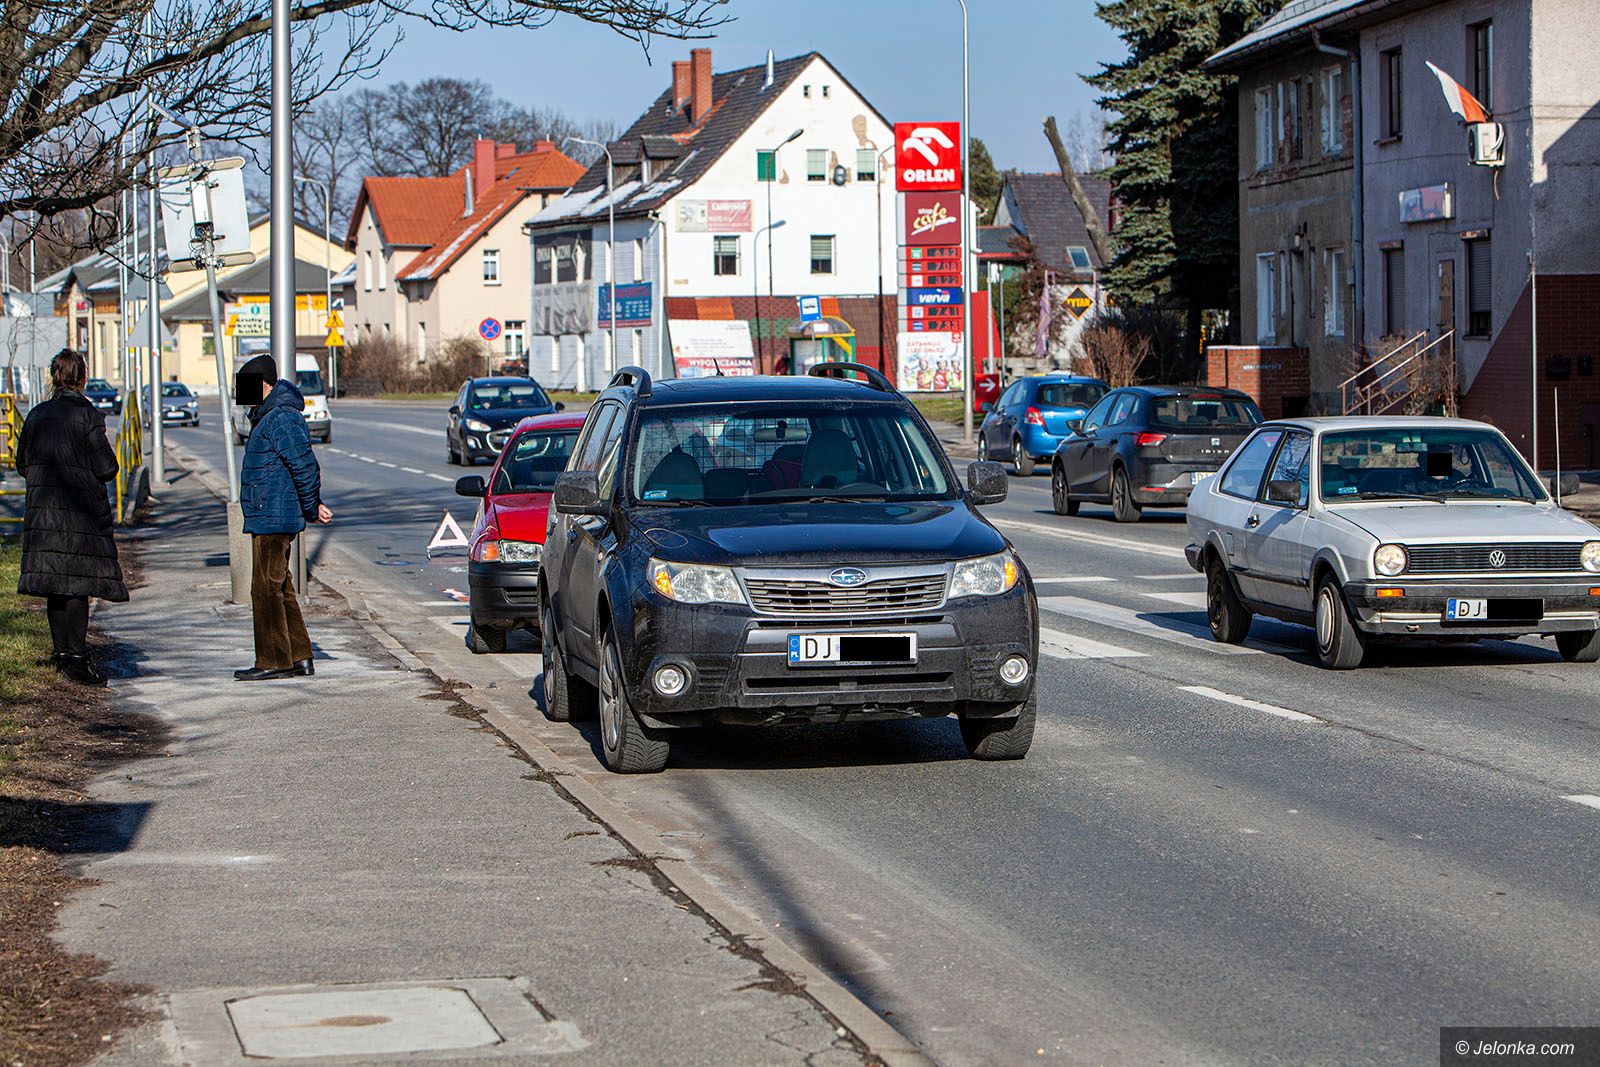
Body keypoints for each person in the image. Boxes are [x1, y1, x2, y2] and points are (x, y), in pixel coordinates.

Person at [15, 349, 129, 687]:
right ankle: (77, 659)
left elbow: (23, 464)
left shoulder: (36, 415)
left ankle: (61, 653)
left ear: (53, 377)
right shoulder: (87, 416)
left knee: (54, 585)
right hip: (80, 515)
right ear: (82, 379)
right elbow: (107, 467)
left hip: (45, 511)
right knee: (78, 587)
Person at [233, 353, 332, 681]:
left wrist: (312, 504)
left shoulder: (280, 417)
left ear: (263, 384)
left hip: (274, 515)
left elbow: (304, 464)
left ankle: (274, 660)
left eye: (246, 386)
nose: (241, 393)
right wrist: (311, 504)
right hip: (269, 513)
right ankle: (300, 655)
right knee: (281, 587)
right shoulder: (269, 415)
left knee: (264, 590)